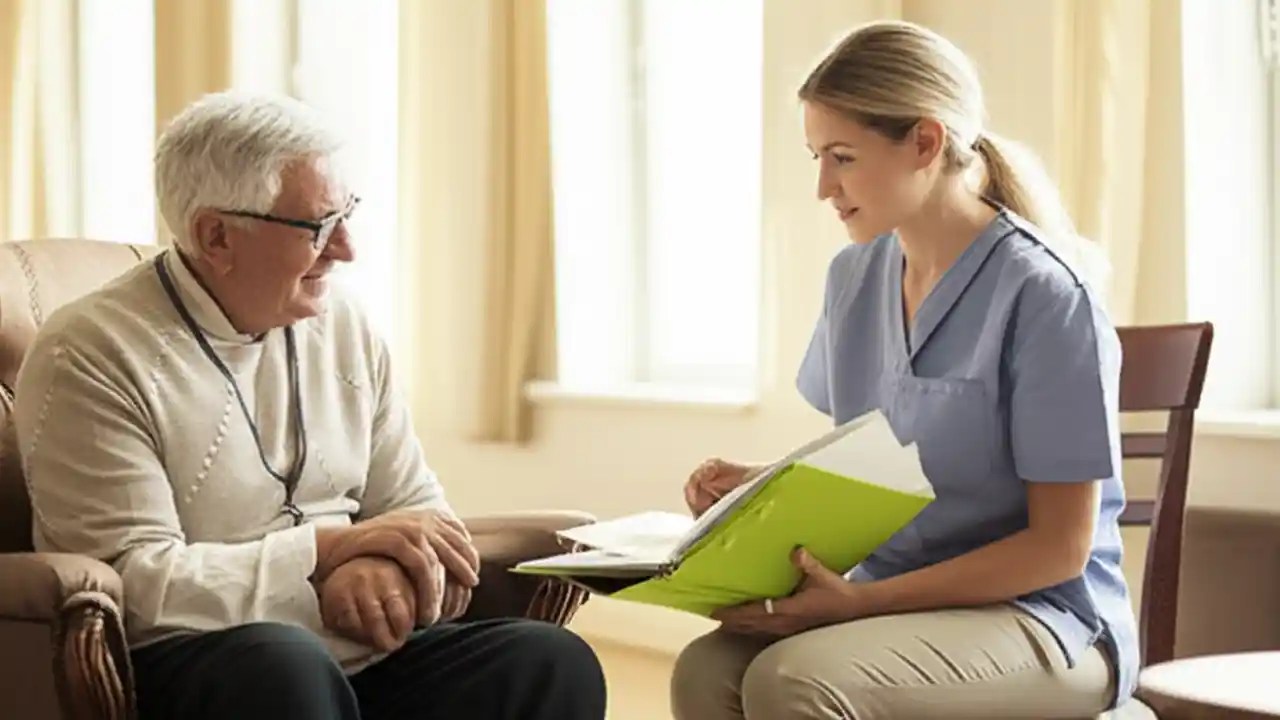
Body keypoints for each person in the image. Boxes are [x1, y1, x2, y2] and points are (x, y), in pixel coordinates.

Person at [13, 91, 605, 720]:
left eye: (347, 213)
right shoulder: (92, 352)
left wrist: (380, 563)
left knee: (547, 660)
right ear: (217, 235)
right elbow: (138, 582)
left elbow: (413, 508)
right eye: (319, 225)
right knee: (284, 664)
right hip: (203, 656)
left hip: (357, 648)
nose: (347, 247)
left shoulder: (344, 323)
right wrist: (323, 560)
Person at [672, 20, 1137, 720]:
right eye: (816, 158)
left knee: (792, 680)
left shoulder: (1044, 296)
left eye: (843, 157)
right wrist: (760, 490)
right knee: (704, 668)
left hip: (1045, 623)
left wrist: (859, 602)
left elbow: (1059, 549)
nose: (824, 186)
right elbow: (878, 463)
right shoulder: (853, 278)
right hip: (897, 601)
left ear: (924, 142)